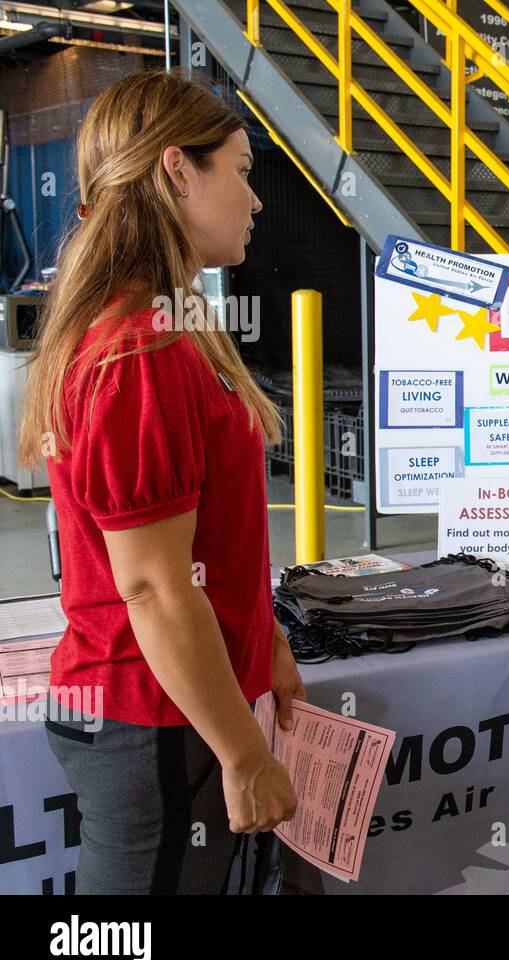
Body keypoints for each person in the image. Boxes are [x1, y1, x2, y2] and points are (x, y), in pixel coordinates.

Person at [18, 70, 302, 894]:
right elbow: (151, 588)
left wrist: (266, 644)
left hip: (163, 710)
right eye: (242, 171)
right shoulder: (139, 353)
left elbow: (207, 548)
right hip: (146, 719)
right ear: (178, 170)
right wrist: (243, 755)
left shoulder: (167, 325)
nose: (254, 200)